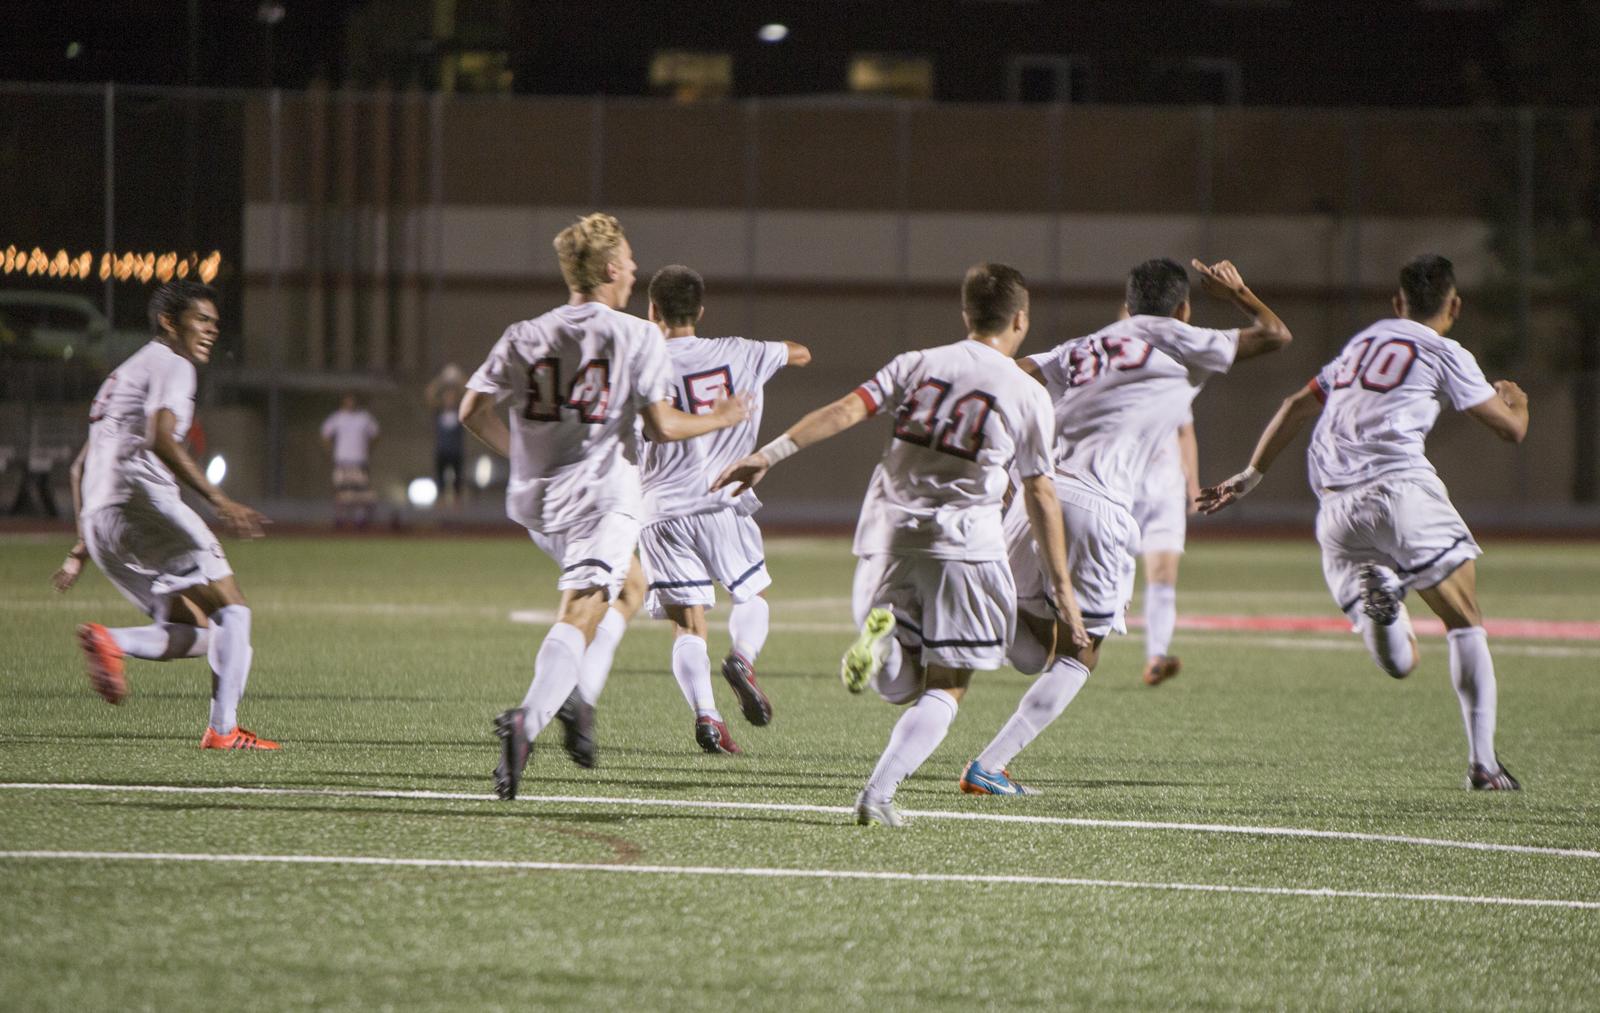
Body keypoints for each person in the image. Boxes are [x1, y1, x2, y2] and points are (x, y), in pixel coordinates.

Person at [714, 263, 1085, 827]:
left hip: (888, 536)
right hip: (965, 545)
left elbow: (843, 411)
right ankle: (876, 795)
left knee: (901, 684)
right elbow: (1041, 495)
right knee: (947, 686)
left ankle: (883, 647)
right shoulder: (1026, 391)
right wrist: (1062, 587)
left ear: (965, 315)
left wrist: (768, 455)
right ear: (1020, 319)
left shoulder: (918, 363)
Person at [961, 258, 1291, 796]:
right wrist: (1239, 291)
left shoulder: (1090, 342)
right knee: (1080, 650)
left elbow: (1014, 372)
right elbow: (1276, 336)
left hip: (1036, 496)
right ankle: (990, 766)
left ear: (1129, 304)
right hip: (1099, 505)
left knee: (1028, 638)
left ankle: (933, 628)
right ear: (1182, 309)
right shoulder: (1186, 338)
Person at [1199, 254, 1529, 790]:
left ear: (1397, 304)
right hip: (1400, 491)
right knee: (1465, 620)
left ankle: (1383, 605)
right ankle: (1484, 765)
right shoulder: (1445, 350)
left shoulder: (1363, 344)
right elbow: (1509, 430)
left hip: (1334, 508)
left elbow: (1294, 406)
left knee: (1401, 662)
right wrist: (1518, 400)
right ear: (1455, 305)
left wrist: (1248, 476)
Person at [459, 212, 750, 800]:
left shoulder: (524, 332)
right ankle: (532, 718)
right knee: (583, 609)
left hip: (538, 502)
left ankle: (581, 699)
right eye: (631, 260)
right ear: (612, 268)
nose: (637, 269)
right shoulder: (635, 334)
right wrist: (722, 415)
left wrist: (520, 455)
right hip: (601, 497)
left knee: (633, 586)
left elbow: (470, 410)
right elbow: (662, 425)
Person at [50, 280, 277, 749]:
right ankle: (222, 730)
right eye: (201, 320)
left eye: (216, 322)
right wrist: (221, 501)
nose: (211, 330)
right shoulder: (174, 363)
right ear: (169, 323)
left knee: (197, 630)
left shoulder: (124, 373)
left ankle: (110, 640)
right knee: (233, 608)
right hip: (143, 504)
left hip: (99, 520)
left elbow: (79, 467)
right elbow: (161, 437)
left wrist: (80, 547)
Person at [637, 264, 811, 754]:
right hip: (721, 502)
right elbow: (801, 353)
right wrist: (769, 357)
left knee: (688, 625)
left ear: (652, 311)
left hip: (661, 511)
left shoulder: (640, 364)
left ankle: (708, 718)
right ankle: (743, 657)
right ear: (700, 311)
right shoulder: (741, 351)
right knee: (751, 594)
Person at [1132, 418, 1199, 686]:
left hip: (1167, 493)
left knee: (1162, 574)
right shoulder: (1112, 376)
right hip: (1121, 489)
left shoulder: (1177, 379)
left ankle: (1156, 656)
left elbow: (1185, 431)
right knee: (1102, 572)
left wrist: (1192, 484)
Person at [321, 392, 379, 528]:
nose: (350, 403)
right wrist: (331, 451)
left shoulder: (364, 418)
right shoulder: (337, 417)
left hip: (359, 461)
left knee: (360, 492)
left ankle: (360, 519)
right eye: (348, 401)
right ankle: (340, 519)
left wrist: (368, 450)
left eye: (352, 401)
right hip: (342, 460)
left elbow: (376, 435)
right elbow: (325, 434)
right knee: (341, 491)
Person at [424, 364, 467, 507]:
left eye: (452, 397)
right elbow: (429, 394)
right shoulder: (439, 412)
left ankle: (457, 504)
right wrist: (441, 380)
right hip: (442, 450)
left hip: (456, 451)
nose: (449, 399)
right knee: (441, 479)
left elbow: (468, 394)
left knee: (457, 481)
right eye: (447, 397)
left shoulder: (459, 412)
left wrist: (459, 380)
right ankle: (441, 502)